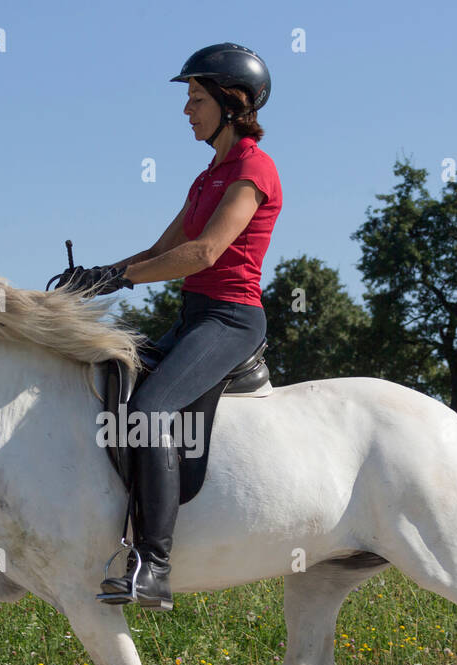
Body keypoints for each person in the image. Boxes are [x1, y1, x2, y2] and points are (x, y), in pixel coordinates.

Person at [56, 42, 282, 610]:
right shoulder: (209, 175)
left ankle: (154, 566)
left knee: (152, 412)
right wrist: (104, 273)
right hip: (193, 318)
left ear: (232, 104)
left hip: (231, 320)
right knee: (112, 386)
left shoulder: (253, 169)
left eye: (196, 98)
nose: (187, 110)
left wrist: (125, 280)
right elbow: (164, 249)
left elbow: (204, 252)